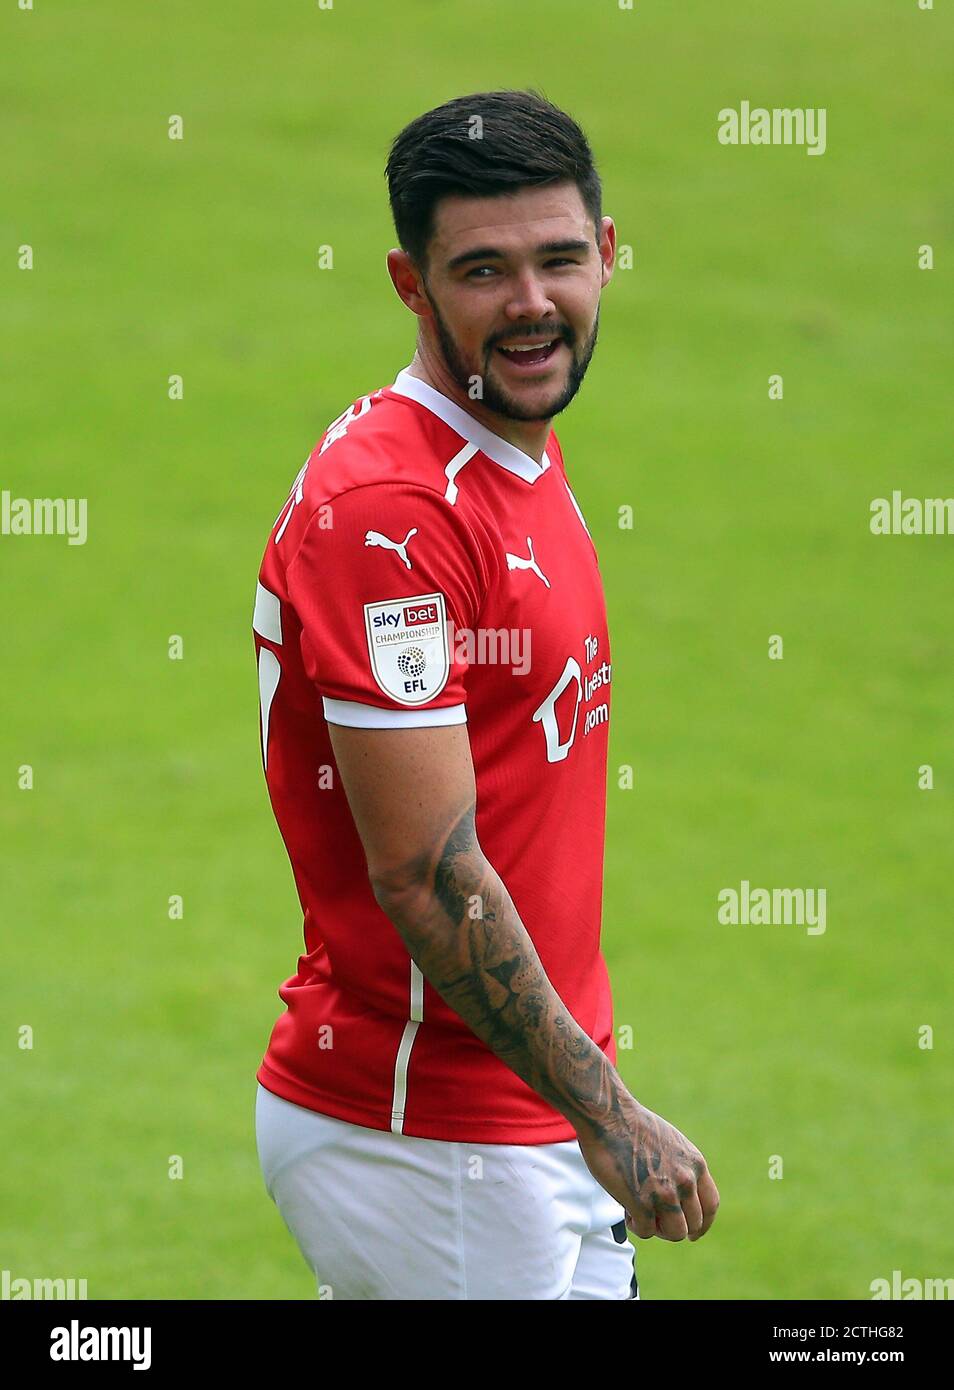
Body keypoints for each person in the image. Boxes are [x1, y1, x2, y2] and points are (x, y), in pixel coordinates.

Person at [252, 88, 719, 1300]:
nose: (532, 304)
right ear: (411, 286)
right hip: (427, 1133)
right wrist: (610, 1113)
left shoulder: (513, 445)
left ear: (609, 253)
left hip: (516, 1118)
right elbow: (426, 870)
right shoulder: (392, 518)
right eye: (483, 270)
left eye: (561, 259)